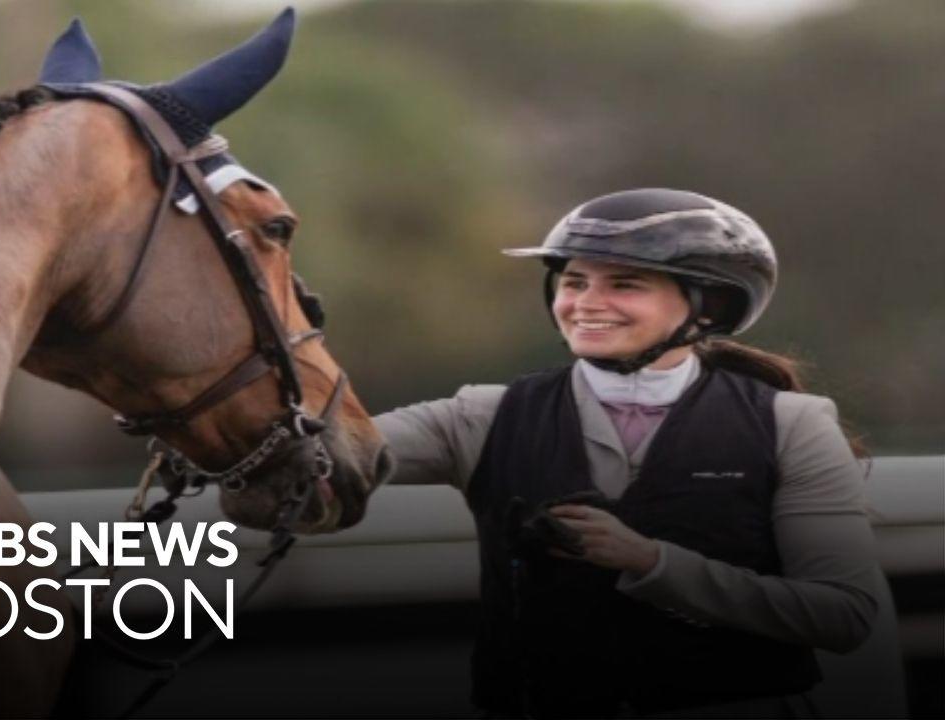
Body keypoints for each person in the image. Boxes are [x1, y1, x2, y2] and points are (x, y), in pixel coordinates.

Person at [374, 188, 882, 718]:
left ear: (711, 306)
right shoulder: (479, 416)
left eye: (625, 284)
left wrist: (651, 562)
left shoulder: (792, 423)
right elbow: (324, 453)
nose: (586, 303)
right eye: (574, 282)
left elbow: (841, 615)